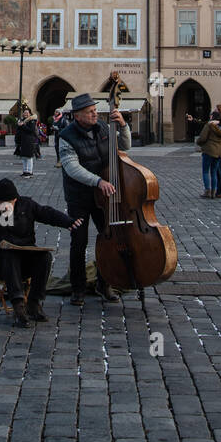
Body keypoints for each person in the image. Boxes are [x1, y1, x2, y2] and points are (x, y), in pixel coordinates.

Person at [0, 177, 81, 327]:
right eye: (1, 203)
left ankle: (33, 302)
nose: (5, 207)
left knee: (44, 257)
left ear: (15, 200)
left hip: (24, 258)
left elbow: (46, 213)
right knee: (9, 255)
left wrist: (67, 221)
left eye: (9, 203)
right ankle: (18, 306)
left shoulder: (26, 205)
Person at [58, 93, 130, 305]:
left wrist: (123, 127)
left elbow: (124, 148)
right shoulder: (66, 136)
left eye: (95, 110)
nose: (95, 114)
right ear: (78, 116)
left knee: (109, 239)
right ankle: (78, 288)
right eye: (90, 112)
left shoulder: (103, 128)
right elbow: (72, 168)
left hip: (103, 196)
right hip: (79, 197)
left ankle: (104, 283)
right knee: (79, 242)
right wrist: (98, 181)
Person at [195, 113, 221, 197]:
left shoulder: (208, 126)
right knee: (214, 172)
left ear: (212, 117)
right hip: (218, 152)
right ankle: (213, 192)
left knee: (205, 171)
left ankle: (207, 191)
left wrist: (198, 142)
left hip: (208, 151)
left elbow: (203, 138)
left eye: (210, 116)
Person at [16, 109, 38, 178]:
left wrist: (22, 125)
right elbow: (19, 130)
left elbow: (31, 130)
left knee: (29, 157)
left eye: (27, 113)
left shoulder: (32, 121)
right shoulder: (22, 120)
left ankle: (30, 172)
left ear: (30, 114)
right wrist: (19, 125)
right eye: (24, 112)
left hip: (29, 141)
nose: (25, 114)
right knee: (23, 157)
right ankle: (25, 171)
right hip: (23, 141)